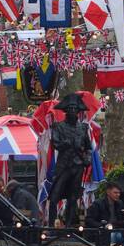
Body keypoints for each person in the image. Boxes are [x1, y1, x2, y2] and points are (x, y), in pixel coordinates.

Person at [48, 95, 92, 227]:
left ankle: (68, 227)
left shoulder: (83, 128)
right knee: (55, 196)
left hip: (78, 165)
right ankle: (51, 225)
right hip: (64, 165)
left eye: (75, 109)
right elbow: (55, 143)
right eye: (70, 108)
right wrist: (65, 143)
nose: (73, 111)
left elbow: (88, 148)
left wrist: (87, 159)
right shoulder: (58, 127)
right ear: (66, 111)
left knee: (73, 197)